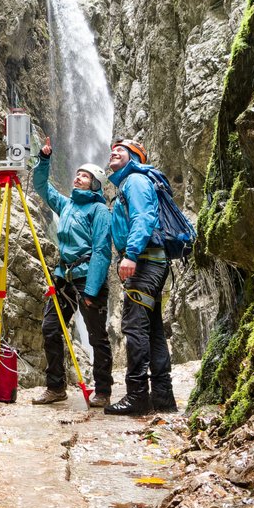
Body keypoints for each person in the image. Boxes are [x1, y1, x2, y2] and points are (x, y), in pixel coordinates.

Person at [29, 137, 113, 407]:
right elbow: (41, 187)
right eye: (77, 174)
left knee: (96, 335)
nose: (78, 178)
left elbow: (102, 250)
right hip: (64, 277)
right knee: (51, 328)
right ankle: (55, 387)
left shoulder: (99, 210)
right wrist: (44, 160)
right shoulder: (66, 205)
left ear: (95, 184)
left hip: (88, 277)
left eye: (85, 176)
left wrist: (92, 288)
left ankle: (103, 390)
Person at [104, 137, 177, 415]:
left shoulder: (134, 181)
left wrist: (131, 254)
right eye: (113, 149)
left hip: (145, 263)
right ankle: (163, 397)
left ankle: (136, 396)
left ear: (135, 158)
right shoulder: (133, 181)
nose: (114, 151)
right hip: (154, 262)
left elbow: (143, 218)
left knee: (135, 328)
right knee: (153, 330)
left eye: (121, 150)